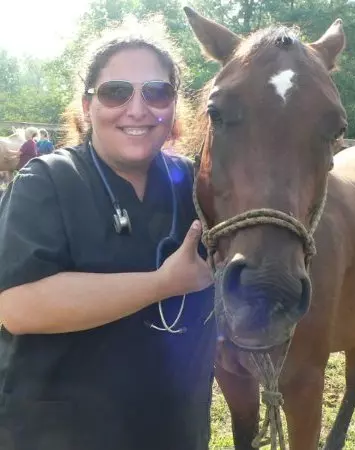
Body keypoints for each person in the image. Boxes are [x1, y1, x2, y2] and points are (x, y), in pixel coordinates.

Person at [0, 16, 216, 450]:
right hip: (60, 433)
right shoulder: (46, 183)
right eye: (116, 91)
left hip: (173, 430)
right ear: (87, 106)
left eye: (157, 91)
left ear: (174, 106)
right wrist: (164, 284)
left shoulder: (196, 185)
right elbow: (18, 307)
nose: (137, 108)